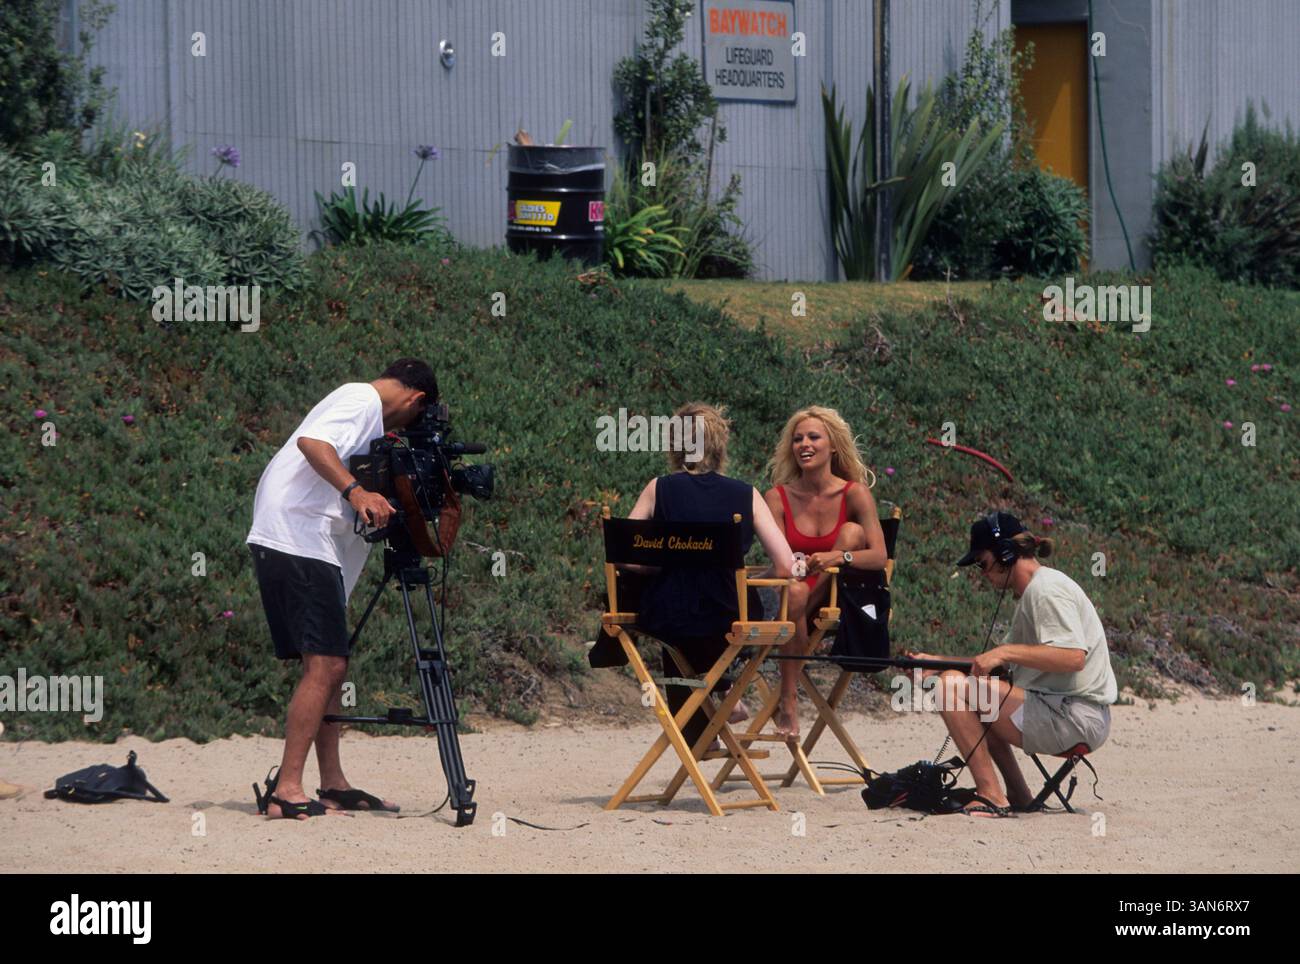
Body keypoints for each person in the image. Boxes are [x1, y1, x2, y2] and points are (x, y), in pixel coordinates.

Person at [246, 358, 437, 819]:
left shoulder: (366, 417)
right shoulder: (360, 397)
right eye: (417, 417)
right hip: (296, 536)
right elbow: (314, 444)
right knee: (327, 662)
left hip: (307, 541)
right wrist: (357, 492)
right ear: (415, 400)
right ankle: (286, 790)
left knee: (331, 664)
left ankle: (331, 783)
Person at [909, 512, 1117, 816]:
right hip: (1070, 712)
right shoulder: (1035, 591)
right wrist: (939, 662)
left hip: (1075, 717)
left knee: (949, 689)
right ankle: (1017, 793)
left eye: (982, 563)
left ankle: (991, 794)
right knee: (962, 686)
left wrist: (1005, 653)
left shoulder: (1046, 591)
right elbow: (997, 666)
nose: (982, 573)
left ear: (1006, 554)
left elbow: (1073, 657)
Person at [625, 402, 806, 749]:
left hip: (668, 614)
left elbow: (626, 556)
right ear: (719, 445)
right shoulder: (745, 494)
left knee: (678, 626)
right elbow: (785, 567)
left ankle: (705, 725)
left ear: (675, 446)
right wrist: (750, 580)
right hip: (728, 613)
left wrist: (665, 565)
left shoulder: (658, 488)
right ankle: (723, 695)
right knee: (740, 612)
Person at [763, 406, 887, 736]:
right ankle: (789, 701)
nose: (804, 444)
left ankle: (787, 700)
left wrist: (839, 557)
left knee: (853, 534)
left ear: (832, 445)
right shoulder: (777, 497)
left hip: (835, 596)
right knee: (796, 591)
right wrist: (797, 570)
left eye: (813, 437)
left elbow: (879, 556)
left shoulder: (854, 494)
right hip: (789, 590)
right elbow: (779, 565)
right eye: (797, 438)